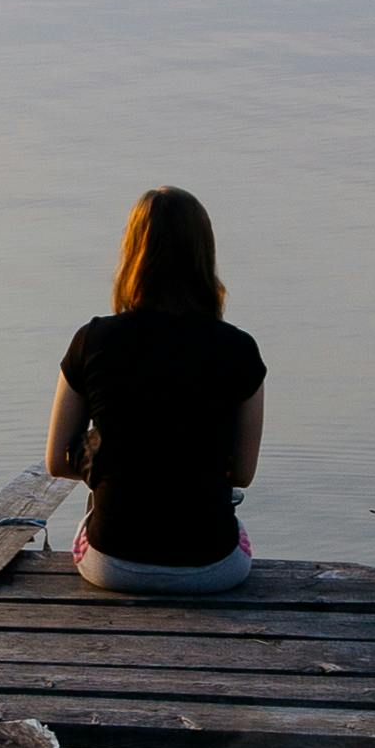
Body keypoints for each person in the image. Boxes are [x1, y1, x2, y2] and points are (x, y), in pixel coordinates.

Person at [50, 188, 266, 595]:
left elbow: (56, 459)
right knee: (233, 526)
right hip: (213, 568)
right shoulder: (239, 349)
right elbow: (242, 473)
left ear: (132, 253)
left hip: (114, 565)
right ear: (204, 256)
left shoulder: (92, 340)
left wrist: (105, 450)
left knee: (92, 514)